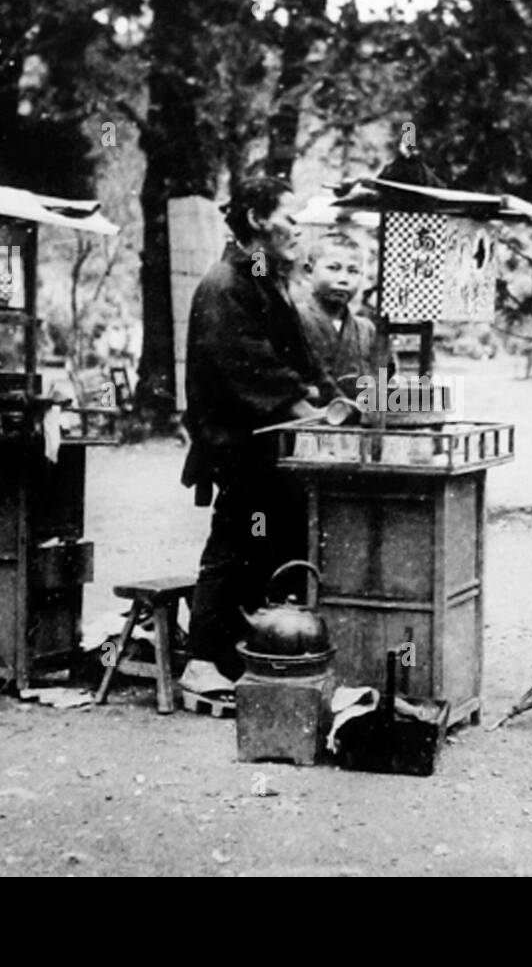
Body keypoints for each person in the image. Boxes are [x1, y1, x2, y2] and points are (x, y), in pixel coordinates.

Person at [178, 176, 336, 703]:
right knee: (233, 544)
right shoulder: (223, 284)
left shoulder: (265, 280)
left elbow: (300, 360)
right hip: (239, 448)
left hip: (274, 446)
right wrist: (310, 410)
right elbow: (252, 369)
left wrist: (334, 398)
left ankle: (240, 652)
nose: (297, 229)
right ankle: (200, 663)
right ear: (254, 220)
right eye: (288, 217)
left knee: (271, 547)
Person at [296, 230, 387, 393]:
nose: (344, 279)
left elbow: (382, 377)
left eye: (353, 271)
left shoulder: (367, 329)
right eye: (333, 268)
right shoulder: (293, 318)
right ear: (308, 272)